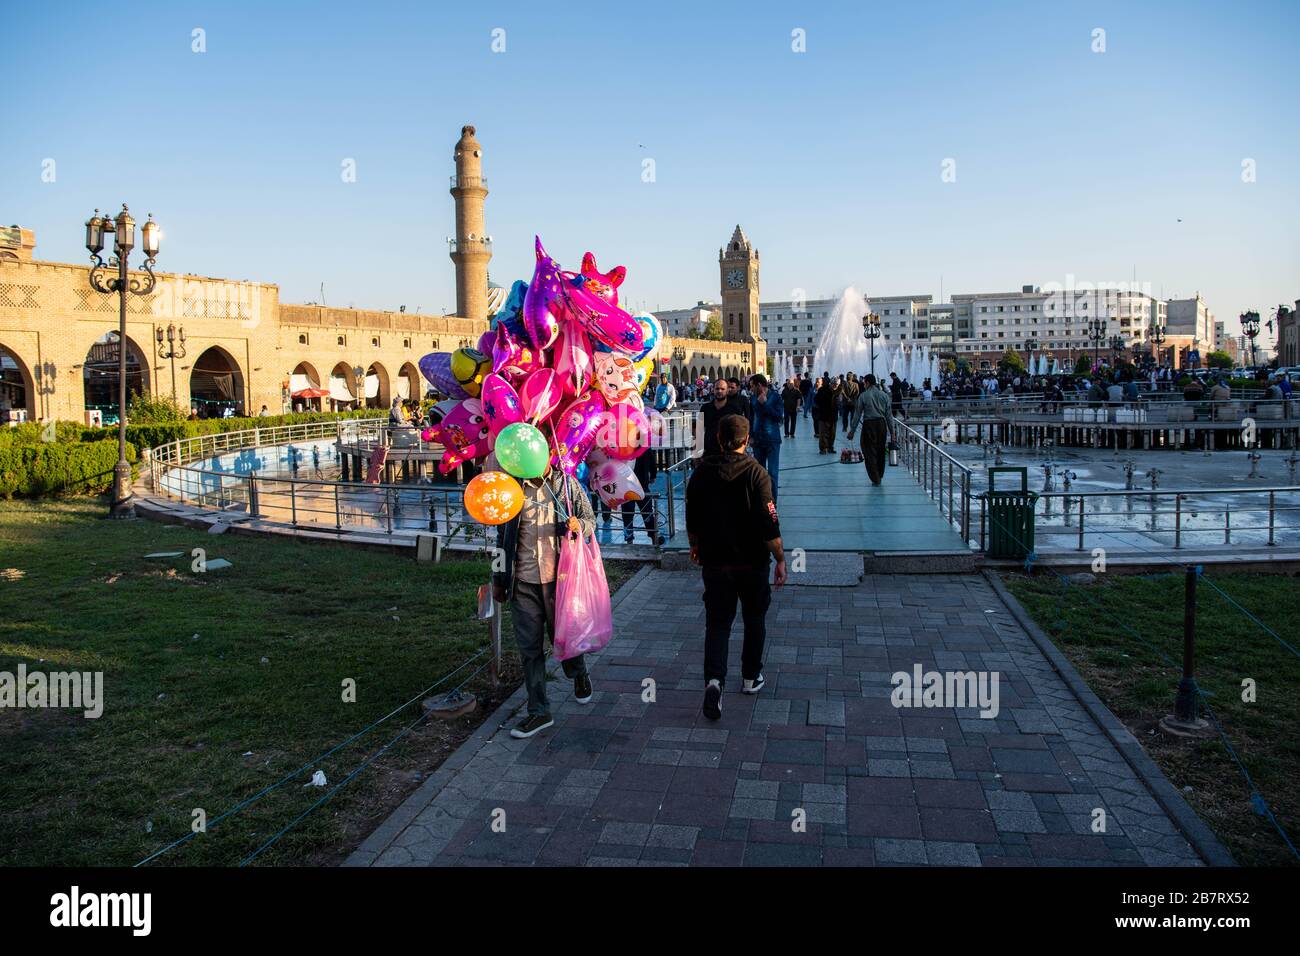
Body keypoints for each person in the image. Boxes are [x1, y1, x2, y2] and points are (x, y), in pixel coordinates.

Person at [686, 415, 785, 720]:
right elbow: (770, 523)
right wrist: (780, 559)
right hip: (752, 562)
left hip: (715, 562)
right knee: (754, 619)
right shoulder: (758, 474)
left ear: (719, 439)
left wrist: (695, 546)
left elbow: (692, 516)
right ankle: (751, 676)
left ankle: (714, 681)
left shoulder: (701, 473)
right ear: (746, 440)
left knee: (717, 623)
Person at [491, 463, 597, 738]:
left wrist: (579, 525)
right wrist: (499, 579)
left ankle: (579, 673)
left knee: (564, 638)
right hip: (522, 584)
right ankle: (539, 712)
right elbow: (502, 538)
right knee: (530, 651)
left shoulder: (567, 485)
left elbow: (591, 520)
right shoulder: (512, 489)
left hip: (560, 582)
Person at [846, 374, 895, 486]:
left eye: (864, 382)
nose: (863, 384)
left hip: (869, 425)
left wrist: (852, 431)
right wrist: (892, 432)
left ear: (867, 383)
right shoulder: (884, 395)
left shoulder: (863, 396)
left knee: (868, 451)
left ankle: (875, 477)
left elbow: (857, 414)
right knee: (881, 450)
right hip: (881, 425)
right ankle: (880, 474)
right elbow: (889, 415)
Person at [748, 373, 784, 502]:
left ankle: (772, 505)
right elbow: (751, 418)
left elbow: (779, 417)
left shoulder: (775, 397)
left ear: (759, 385)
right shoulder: (753, 398)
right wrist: (750, 436)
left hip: (772, 440)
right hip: (758, 440)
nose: (750, 389)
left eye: (752, 386)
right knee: (759, 474)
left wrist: (766, 404)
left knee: (773, 473)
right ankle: (762, 502)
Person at [700, 380, 746, 456]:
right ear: (713, 390)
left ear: (727, 390)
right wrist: (697, 452)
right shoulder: (705, 408)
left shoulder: (735, 409)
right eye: (717, 389)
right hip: (709, 450)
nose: (719, 391)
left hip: (729, 452)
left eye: (722, 389)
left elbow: (739, 431)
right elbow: (699, 429)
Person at [815, 376, 839, 454]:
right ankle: (823, 448)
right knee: (823, 433)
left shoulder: (838, 391)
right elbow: (816, 400)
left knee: (832, 433)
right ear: (831, 383)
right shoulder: (822, 390)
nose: (836, 386)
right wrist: (822, 407)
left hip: (833, 416)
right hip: (824, 415)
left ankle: (830, 447)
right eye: (834, 384)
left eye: (837, 384)